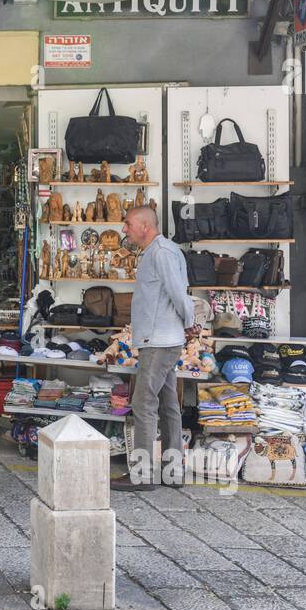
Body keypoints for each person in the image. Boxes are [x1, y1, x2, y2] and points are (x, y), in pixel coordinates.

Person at [113, 205, 197, 492]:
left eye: (128, 223)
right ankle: (173, 472)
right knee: (168, 404)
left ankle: (142, 473)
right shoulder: (162, 251)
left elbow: (178, 292)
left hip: (158, 342)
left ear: (145, 226)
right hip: (162, 339)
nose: (124, 229)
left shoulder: (160, 252)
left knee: (143, 403)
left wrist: (190, 323)